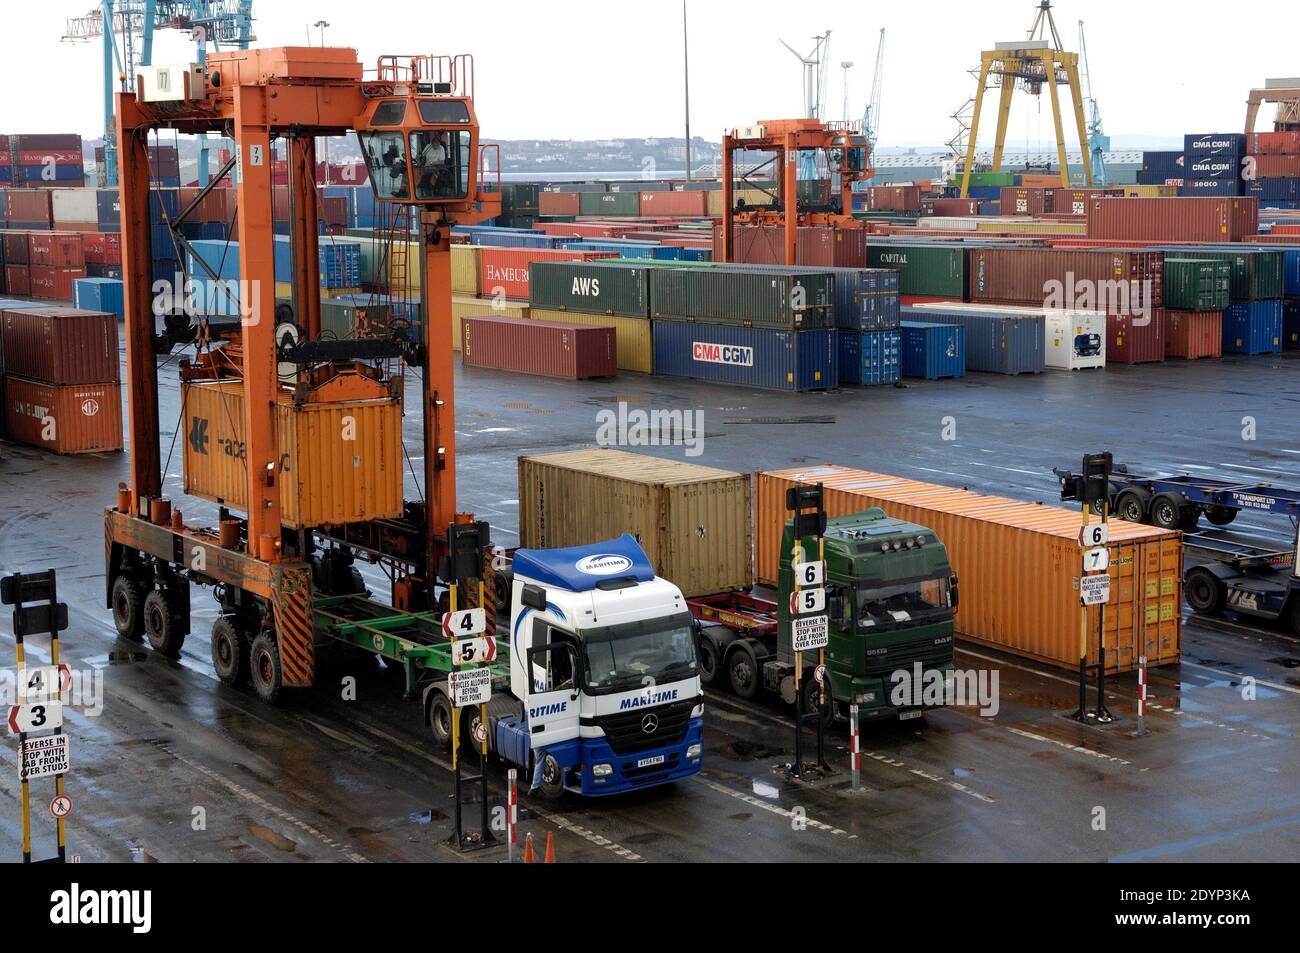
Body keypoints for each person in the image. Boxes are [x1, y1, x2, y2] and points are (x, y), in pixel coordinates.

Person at [416, 132, 448, 197]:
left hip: (437, 166)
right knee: (422, 176)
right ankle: (425, 191)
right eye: (434, 144)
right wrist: (420, 162)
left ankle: (434, 190)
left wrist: (431, 163)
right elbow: (422, 156)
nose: (436, 146)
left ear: (439, 144)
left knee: (438, 175)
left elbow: (442, 161)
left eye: (437, 144)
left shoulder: (441, 148)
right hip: (427, 167)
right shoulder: (428, 147)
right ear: (431, 143)